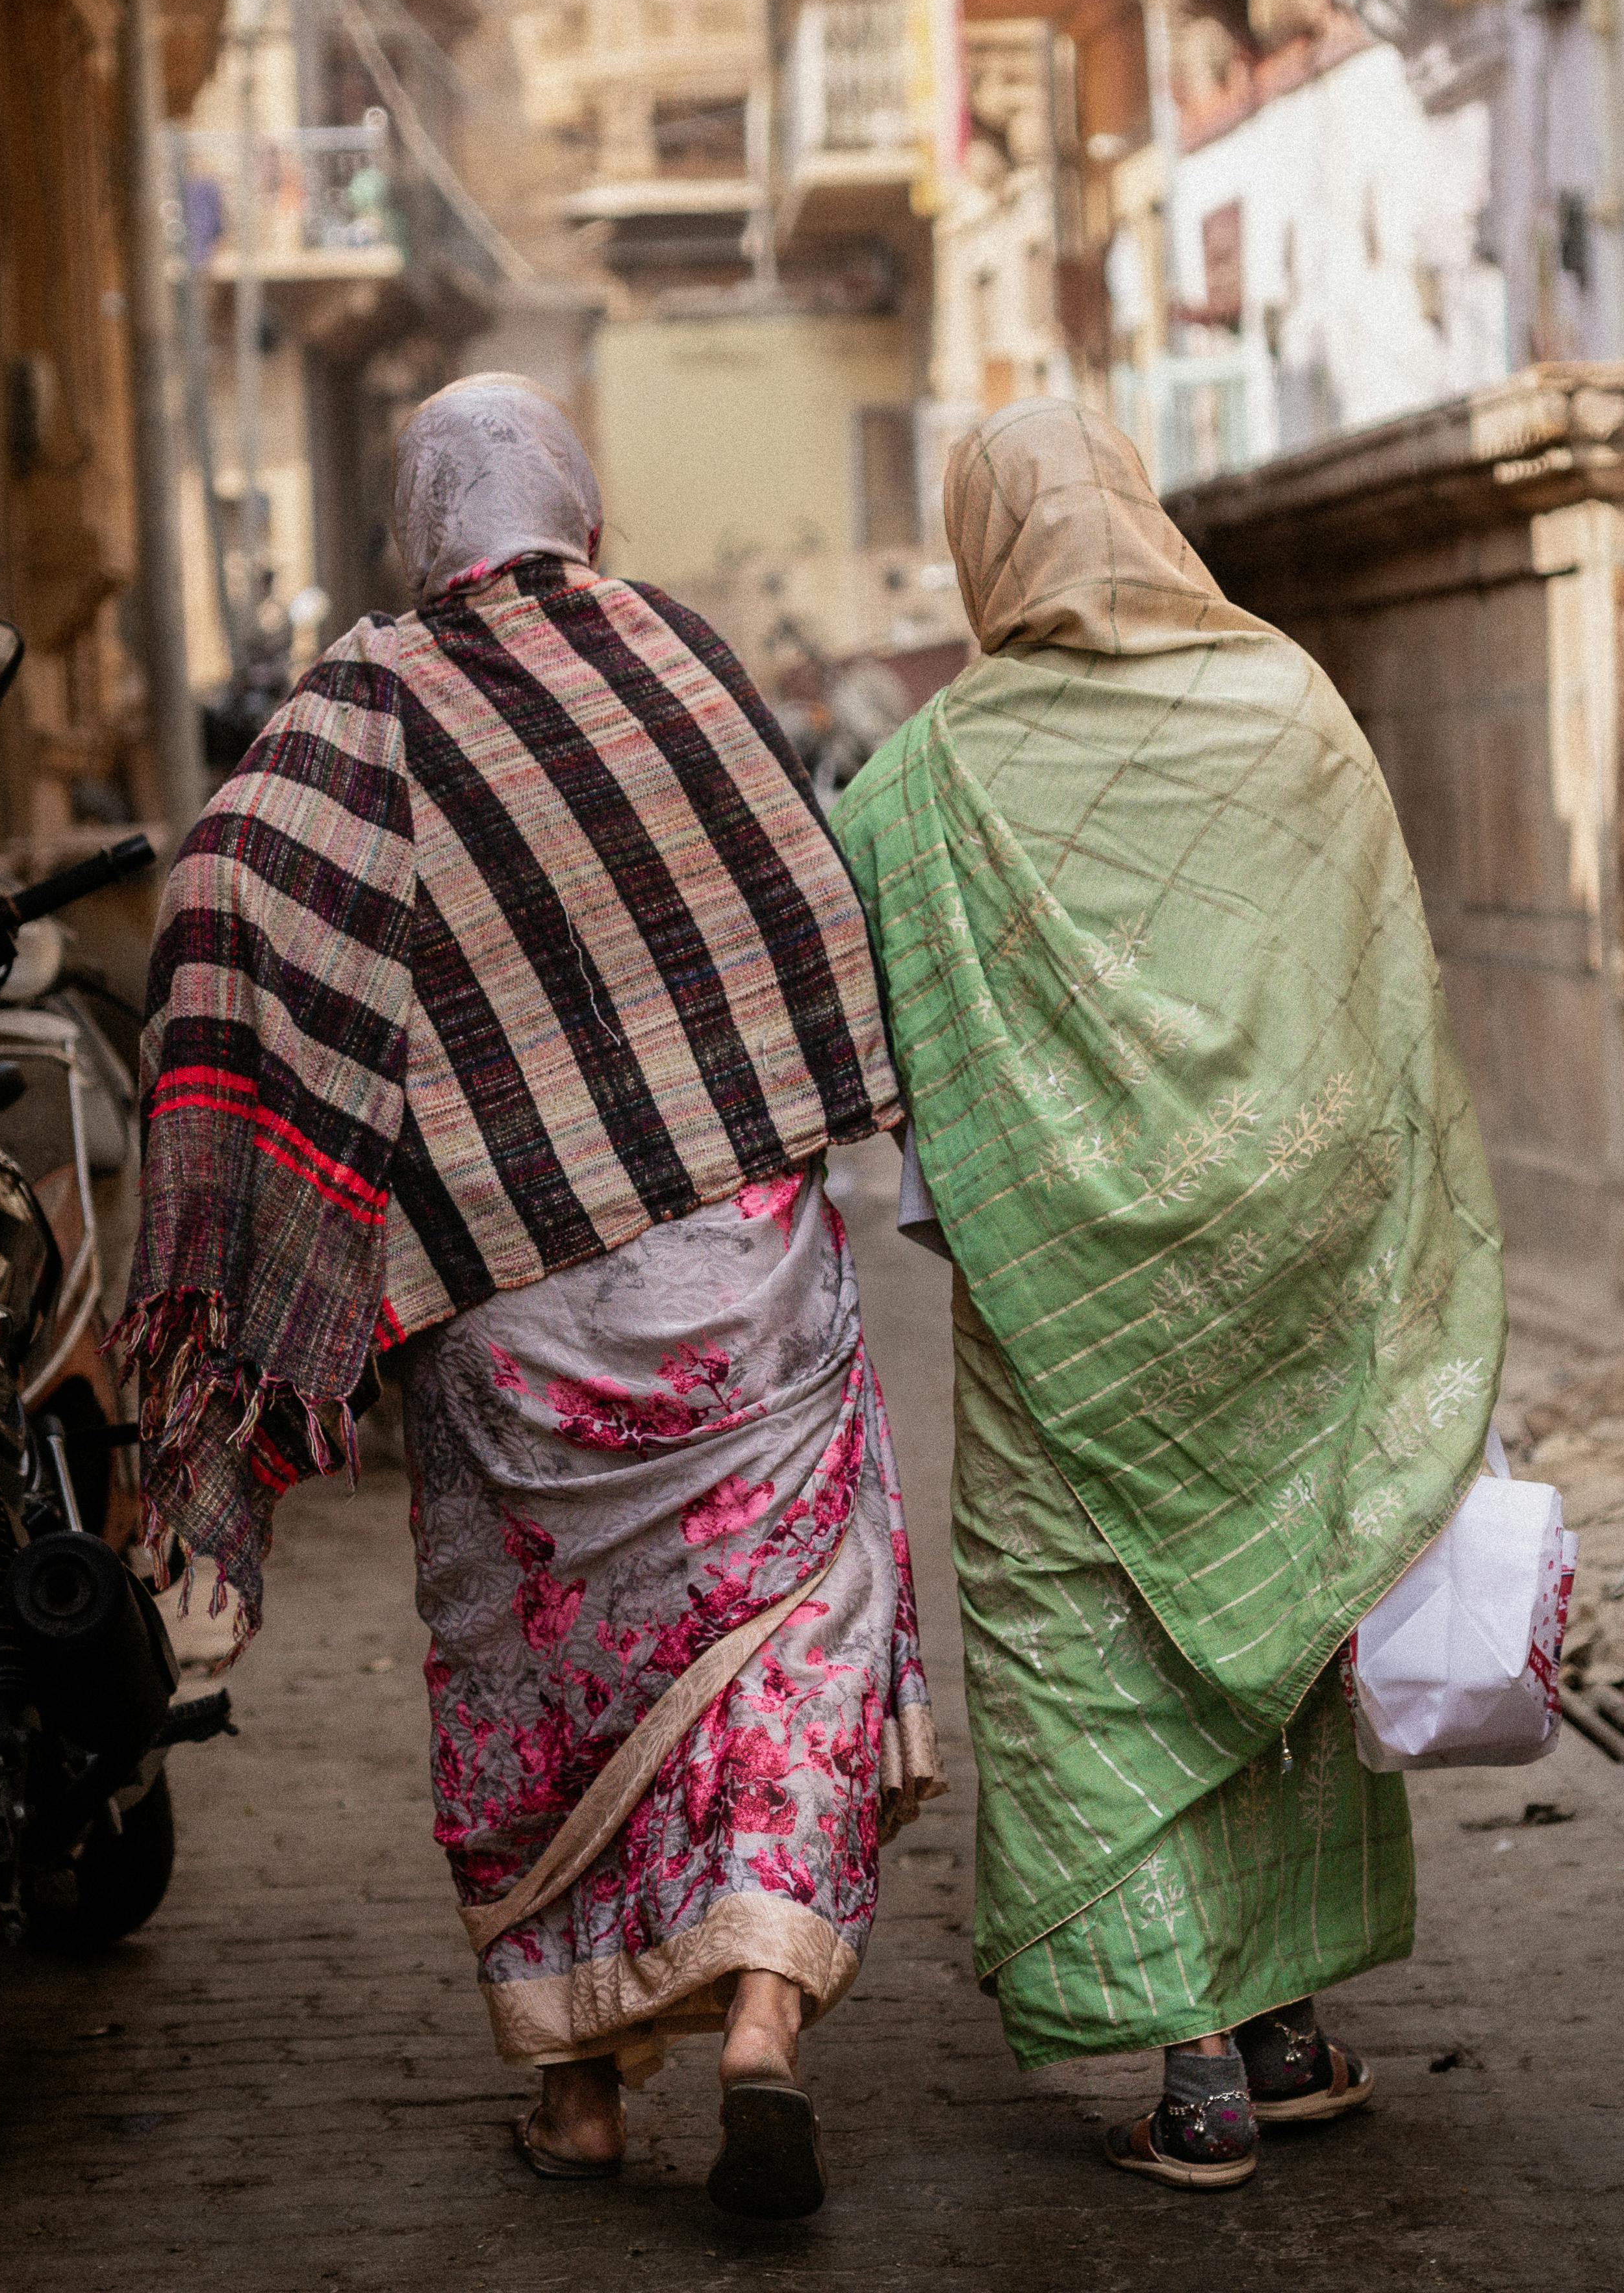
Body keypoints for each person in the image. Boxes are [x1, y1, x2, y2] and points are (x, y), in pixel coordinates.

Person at [119, 373, 941, 2222]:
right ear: (575, 493)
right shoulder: (674, 651)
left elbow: (219, 900)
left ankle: (575, 2096)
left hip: (507, 1312)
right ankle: (756, 2027)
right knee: (783, 1639)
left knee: (536, 1672)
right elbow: (798, 902)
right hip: (740, 1283)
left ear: (419, 522)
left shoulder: (355, 711)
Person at [830, 398, 1504, 2191]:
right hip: (1294, 1277)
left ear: (986, 545)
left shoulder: (923, 775)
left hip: (1066, 1311)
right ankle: (1278, 2032)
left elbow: (855, 1029)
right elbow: (1380, 978)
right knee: (1275, 1612)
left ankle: (1198, 2059)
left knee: (1087, 1642)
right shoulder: (1288, 706)